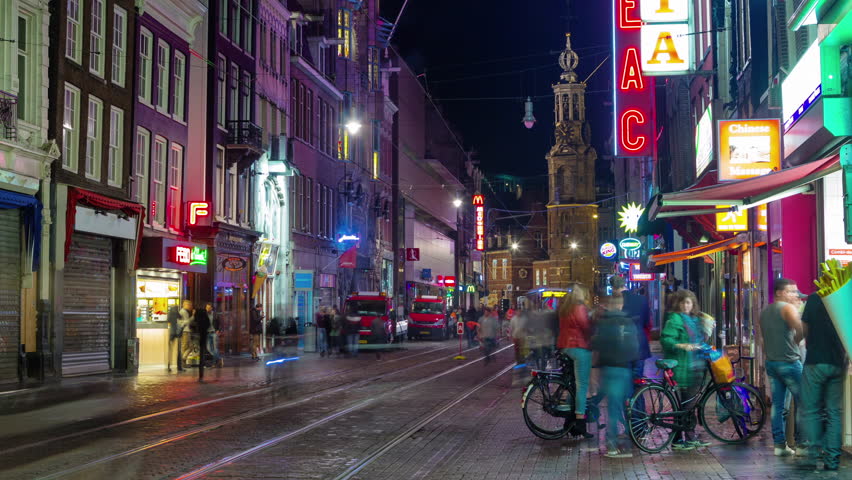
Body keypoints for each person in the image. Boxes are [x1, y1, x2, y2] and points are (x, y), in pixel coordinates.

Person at [801, 292, 848, 471]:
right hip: (838, 362)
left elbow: (804, 329)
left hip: (815, 361)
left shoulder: (815, 298)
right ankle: (833, 459)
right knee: (834, 412)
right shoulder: (845, 297)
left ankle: (814, 454)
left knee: (811, 410)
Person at [660, 289, 711, 450]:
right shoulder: (675, 319)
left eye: (688, 302)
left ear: (693, 304)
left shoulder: (695, 320)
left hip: (696, 366)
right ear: (678, 303)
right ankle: (687, 438)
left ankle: (680, 439)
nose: (686, 306)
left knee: (685, 406)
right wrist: (681, 345)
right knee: (686, 406)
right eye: (683, 302)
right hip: (683, 368)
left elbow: (699, 340)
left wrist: (707, 330)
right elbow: (666, 340)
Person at [759, 278, 805, 456]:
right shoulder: (787, 308)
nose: (794, 294)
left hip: (772, 363)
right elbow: (801, 330)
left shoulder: (765, 312)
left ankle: (779, 445)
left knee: (778, 406)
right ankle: (801, 445)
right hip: (790, 363)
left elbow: (762, 341)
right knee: (803, 402)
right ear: (779, 293)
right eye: (790, 291)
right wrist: (796, 343)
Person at [592, 295, 639, 458]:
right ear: (621, 305)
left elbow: (597, 344)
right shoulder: (628, 322)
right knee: (624, 406)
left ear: (609, 305)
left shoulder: (604, 322)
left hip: (608, 368)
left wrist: (596, 368)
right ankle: (625, 441)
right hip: (623, 368)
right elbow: (635, 347)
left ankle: (613, 444)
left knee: (612, 407)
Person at [556, 284, 594, 439]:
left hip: (565, 347)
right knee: (582, 386)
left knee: (573, 385)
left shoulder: (565, 308)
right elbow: (586, 327)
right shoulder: (579, 307)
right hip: (578, 347)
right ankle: (579, 422)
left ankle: (569, 421)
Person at [611, 276, 652, 381]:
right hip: (640, 345)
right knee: (637, 381)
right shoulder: (642, 299)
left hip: (623, 347)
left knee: (624, 381)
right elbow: (647, 322)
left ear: (614, 288)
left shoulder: (616, 303)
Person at [194, 304, 211, 382]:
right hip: (203, 337)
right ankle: (201, 376)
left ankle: (200, 376)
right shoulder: (205, 316)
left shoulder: (196, 316)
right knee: (202, 355)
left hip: (197, 336)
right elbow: (208, 324)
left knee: (199, 354)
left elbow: (192, 324)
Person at [205, 303, 223, 368]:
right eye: (206, 308)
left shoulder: (215, 314)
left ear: (211, 308)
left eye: (209, 308)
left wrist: (218, 330)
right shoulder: (205, 315)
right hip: (207, 333)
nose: (207, 309)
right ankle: (219, 358)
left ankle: (214, 363)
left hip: (214, 333)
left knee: (215, 348)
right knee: (209, 348)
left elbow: (220, 323)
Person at [166, 305, 183, 372]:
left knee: (170, 350)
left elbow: (168, 320)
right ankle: (179, 366)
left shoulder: (170, 313)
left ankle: (169, 365)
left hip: (171, 333)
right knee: (178, 350)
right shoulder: (177, 313)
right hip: (177, 333)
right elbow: (180, 317)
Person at [179, 300, 194, 366]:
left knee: (190, 347)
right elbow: (183, 322)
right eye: (190, 305)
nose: (191, 307)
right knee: (185, 347)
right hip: (185, 331)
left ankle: (183, 360)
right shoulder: (182, 312)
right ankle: (182, 362)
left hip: (186, 331)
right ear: (185, 305)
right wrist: (193, 316)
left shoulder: (185, 312)